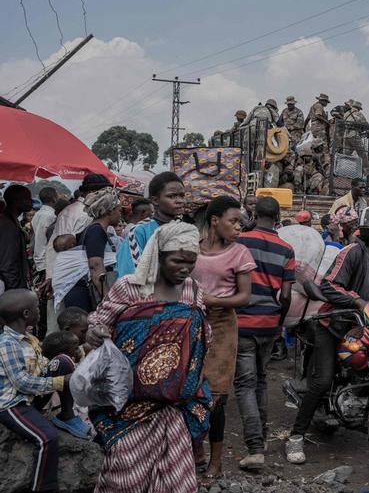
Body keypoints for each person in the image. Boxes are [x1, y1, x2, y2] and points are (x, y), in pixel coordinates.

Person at [84, 221, 211, 493]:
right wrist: (95, 333)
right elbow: (98, 321)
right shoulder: (130, 287)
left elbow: (200, 337)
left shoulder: (194, 290)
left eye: (191, 262)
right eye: (178, 261)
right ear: (159, 255)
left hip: (173, 402)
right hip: (129, 401)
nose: (185, 268)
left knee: (174, 475)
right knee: (125, 475)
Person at [286, 206, 369, 465]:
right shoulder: (352, 253)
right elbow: (330, 285)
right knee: (322, 381)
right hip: (334, 324)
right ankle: (295, 437)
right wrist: (357, 301)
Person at [190, 196, 256, 480]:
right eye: (233, 221)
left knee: (216, 397)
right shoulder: (192, 248)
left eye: (240, 222)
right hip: (190, 324)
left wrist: (215, 299)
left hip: (222, 326)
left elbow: (244, 297)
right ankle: (196, 452)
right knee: (188, 389)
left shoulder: (240, 253)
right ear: (215, 220)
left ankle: (216, 463)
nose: (238, 227)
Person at [233, 197, 295, 470]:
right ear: (278, 216)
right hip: (269, 324)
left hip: (242, 322)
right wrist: (279, 323)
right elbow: (286, 295)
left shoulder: (240, 242)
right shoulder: (287, 249)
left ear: (254, 214)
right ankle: (264, 438)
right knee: (260, 379)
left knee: (244, 384)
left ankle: (255, 448)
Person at [0, 289, 76, 493]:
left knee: (62, 362)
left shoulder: (28, 339)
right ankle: (44, 487)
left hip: (31, 396)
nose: (39, 310)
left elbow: (42, 366)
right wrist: (59, 382)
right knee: (46, 438)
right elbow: (22, 383)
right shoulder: (8, 344)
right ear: (26, 314)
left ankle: (68, 417)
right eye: (36, 307)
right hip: (13, 404)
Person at [60, 188, 123, 312]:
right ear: (109, 211)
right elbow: (95, 266)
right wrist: (108, 300)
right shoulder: (96, 231)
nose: (120, 214)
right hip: (86, 295)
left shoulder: (92, 229)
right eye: (118, 210)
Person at [115, 172, 186, 278]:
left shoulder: (185, 231)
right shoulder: (139, 232)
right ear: (155, 200)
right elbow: (130, 275)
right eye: (172, 196)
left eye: (182, 196)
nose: (179, 201)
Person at [0, 185, 33, 291]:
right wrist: (16, 292)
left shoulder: (12, 221)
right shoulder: (7, 225)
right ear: (15, 201)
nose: (31, 201)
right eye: (27, 198)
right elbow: (8, 265)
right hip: (10, 288)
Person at [31, 187, 58, 291]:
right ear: (54, 198)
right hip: (48, 261)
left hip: (38, 259)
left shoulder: (36, 215)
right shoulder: (52, 216)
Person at [340, 100, 369, 176]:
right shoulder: (359, 114)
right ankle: (367, 171)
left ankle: (342, 170)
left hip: (346, 136)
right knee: (362, 154)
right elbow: (366, 125)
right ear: (358, 108)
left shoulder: (346, 114)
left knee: (346, 155)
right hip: (354, 135)